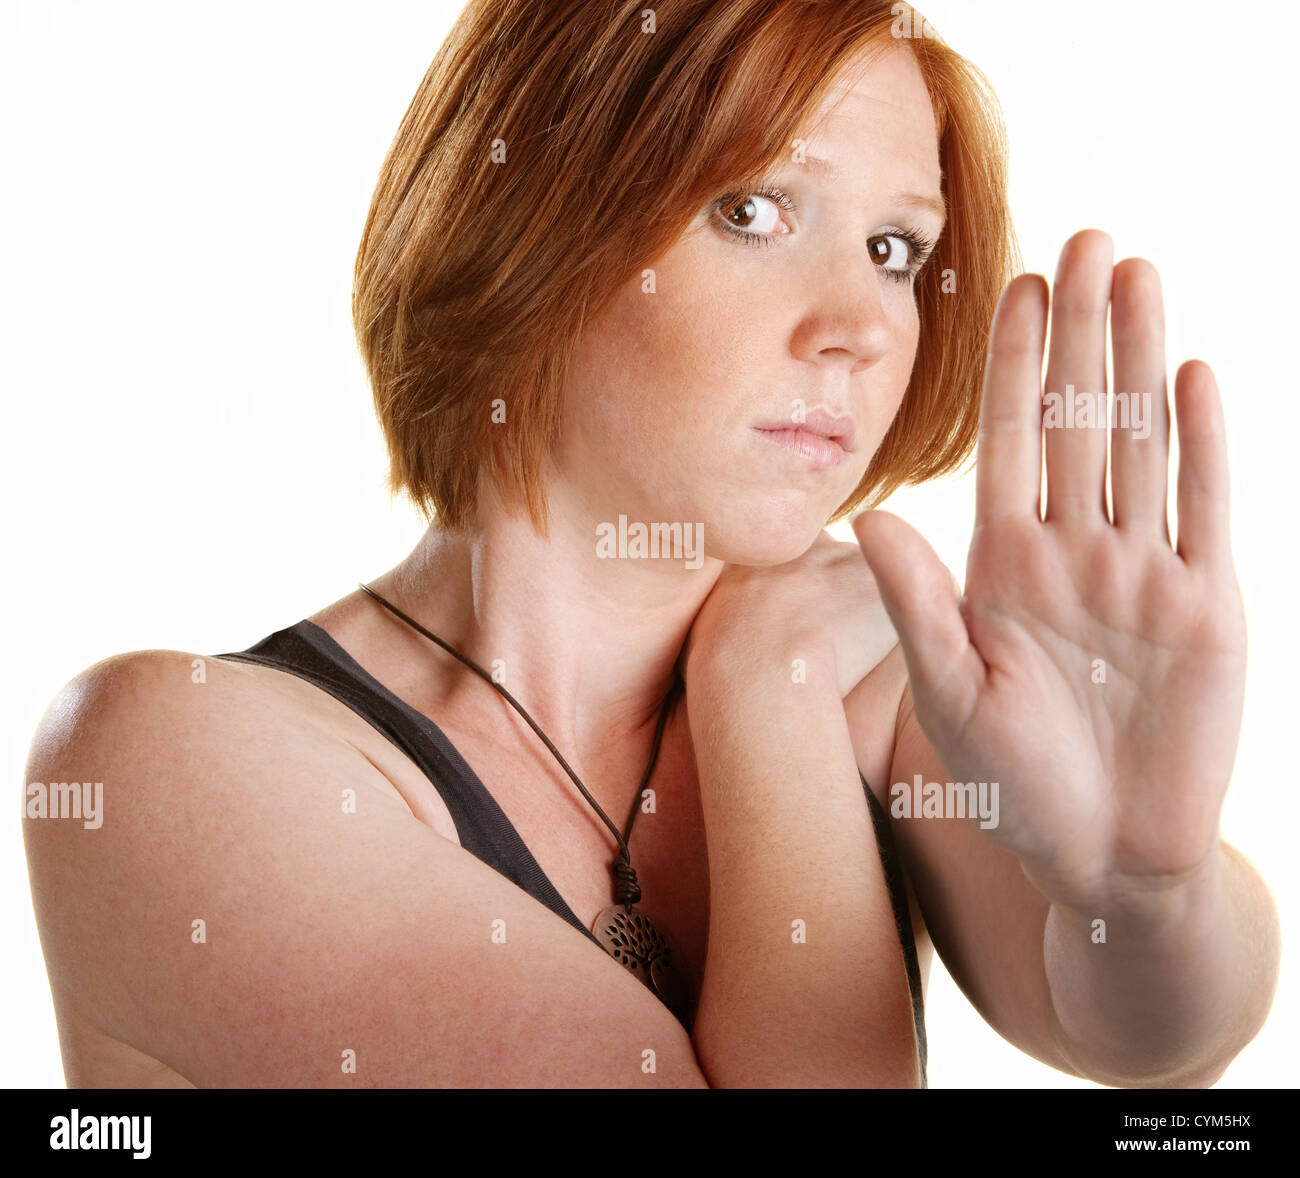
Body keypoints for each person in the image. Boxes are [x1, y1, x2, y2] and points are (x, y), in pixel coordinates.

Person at [22, 0, 1279, 1088]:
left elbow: (1145, 1039)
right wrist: (765, 692)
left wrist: (1142, 894)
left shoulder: (889, 697)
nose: (861, 325)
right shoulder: (165, 757)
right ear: (531, 217)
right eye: (753, 209)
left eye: (894, 249)